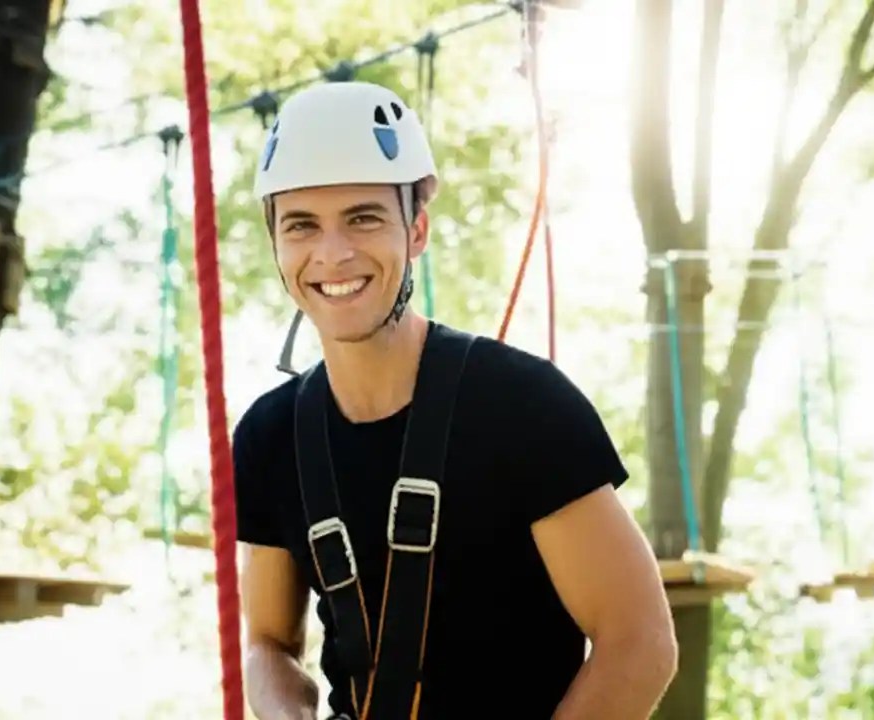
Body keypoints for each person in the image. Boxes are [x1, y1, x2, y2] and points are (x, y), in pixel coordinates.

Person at [232, 80, 676, 720]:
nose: (332, 254)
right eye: (302, 226)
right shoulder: (271, 438)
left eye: (363, 217)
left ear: (416, 229)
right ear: (276, 241)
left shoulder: (521, 408)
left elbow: (639, 642)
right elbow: (269, 642)